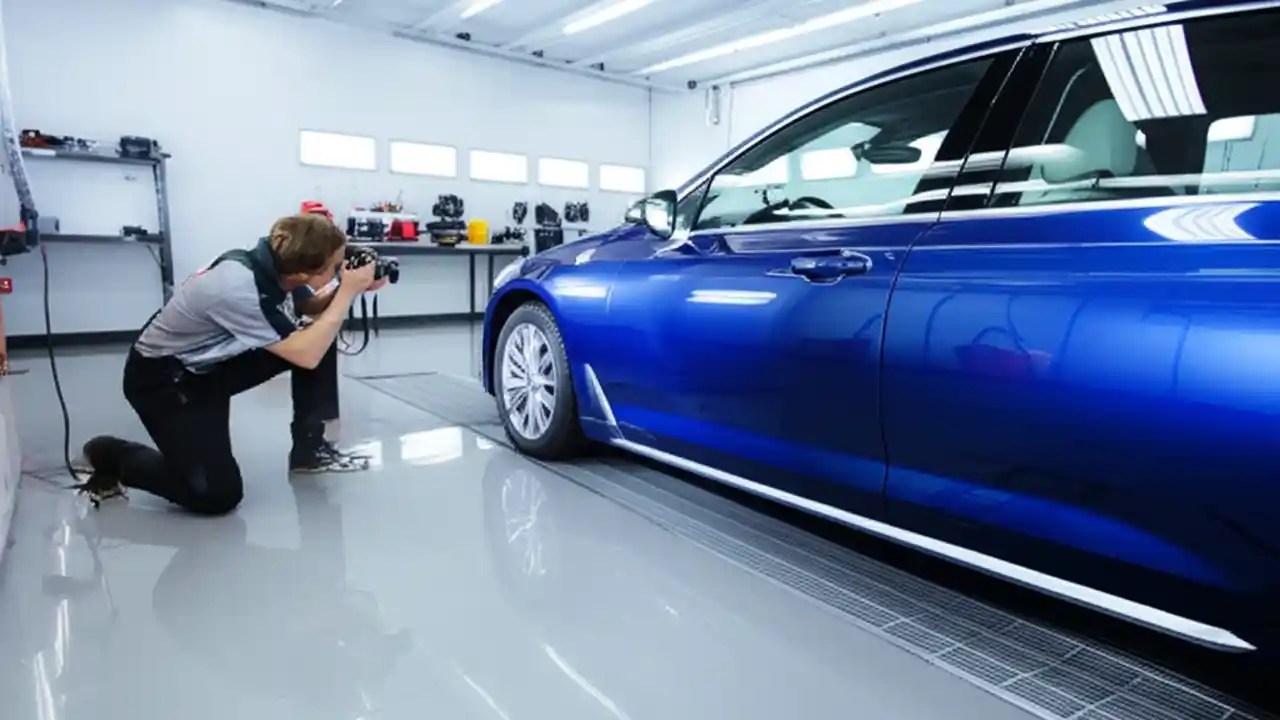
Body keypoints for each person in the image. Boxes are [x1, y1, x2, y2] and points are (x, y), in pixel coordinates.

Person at [76, 213, 385, 514]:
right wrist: (346, 291)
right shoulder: (237, 286)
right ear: (306, 271)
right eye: (333, 266)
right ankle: (110, 453)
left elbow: (306, 307)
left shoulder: (274, 264)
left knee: (318, 334)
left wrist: (353, 286)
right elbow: (307, 354)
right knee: (217, 495)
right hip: (163, 382)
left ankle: (309, 451)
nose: (337, 271)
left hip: (207, 368)